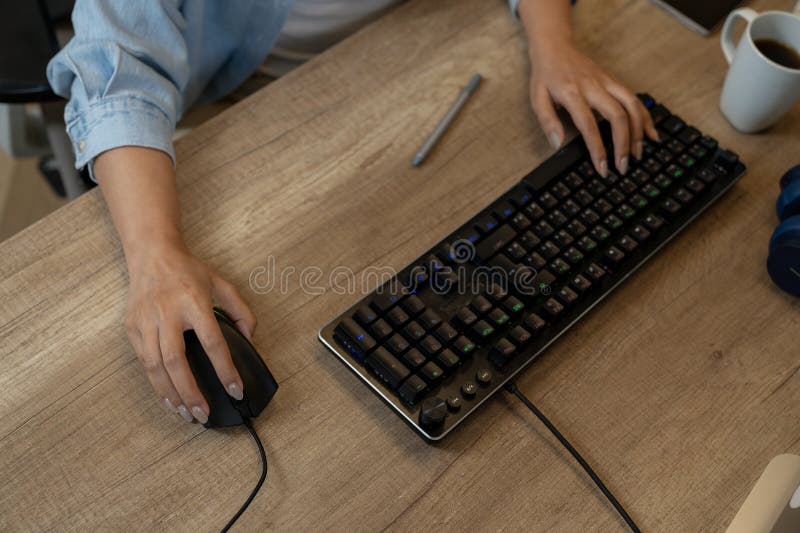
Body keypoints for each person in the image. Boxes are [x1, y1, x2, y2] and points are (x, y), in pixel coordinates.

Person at [47, 0, 658, 424]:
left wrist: (555, 44)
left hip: (403, 55)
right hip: (233, 92)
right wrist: (154, 250)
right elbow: (116, 66)